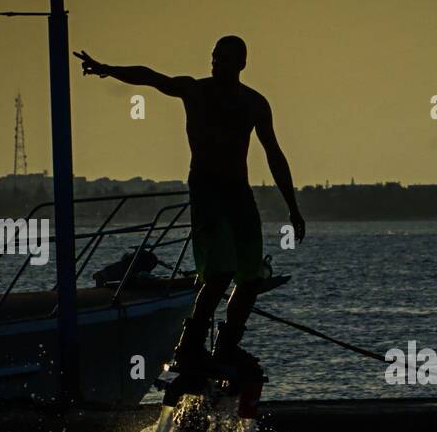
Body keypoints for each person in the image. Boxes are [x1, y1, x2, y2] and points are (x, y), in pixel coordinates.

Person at [74, 36, 305, 375]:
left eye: (224, 59)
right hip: (207, 190)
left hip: (239, 192)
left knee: (250, 276)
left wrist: (293, 207)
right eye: (214, 58)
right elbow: (151, 77)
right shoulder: (195, 91)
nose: (216, 64)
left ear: (241, 63)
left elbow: (274, 154)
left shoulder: (254, 103)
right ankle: (191, 344)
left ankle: (227, 346)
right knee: (219, 271)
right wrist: (106, 69)